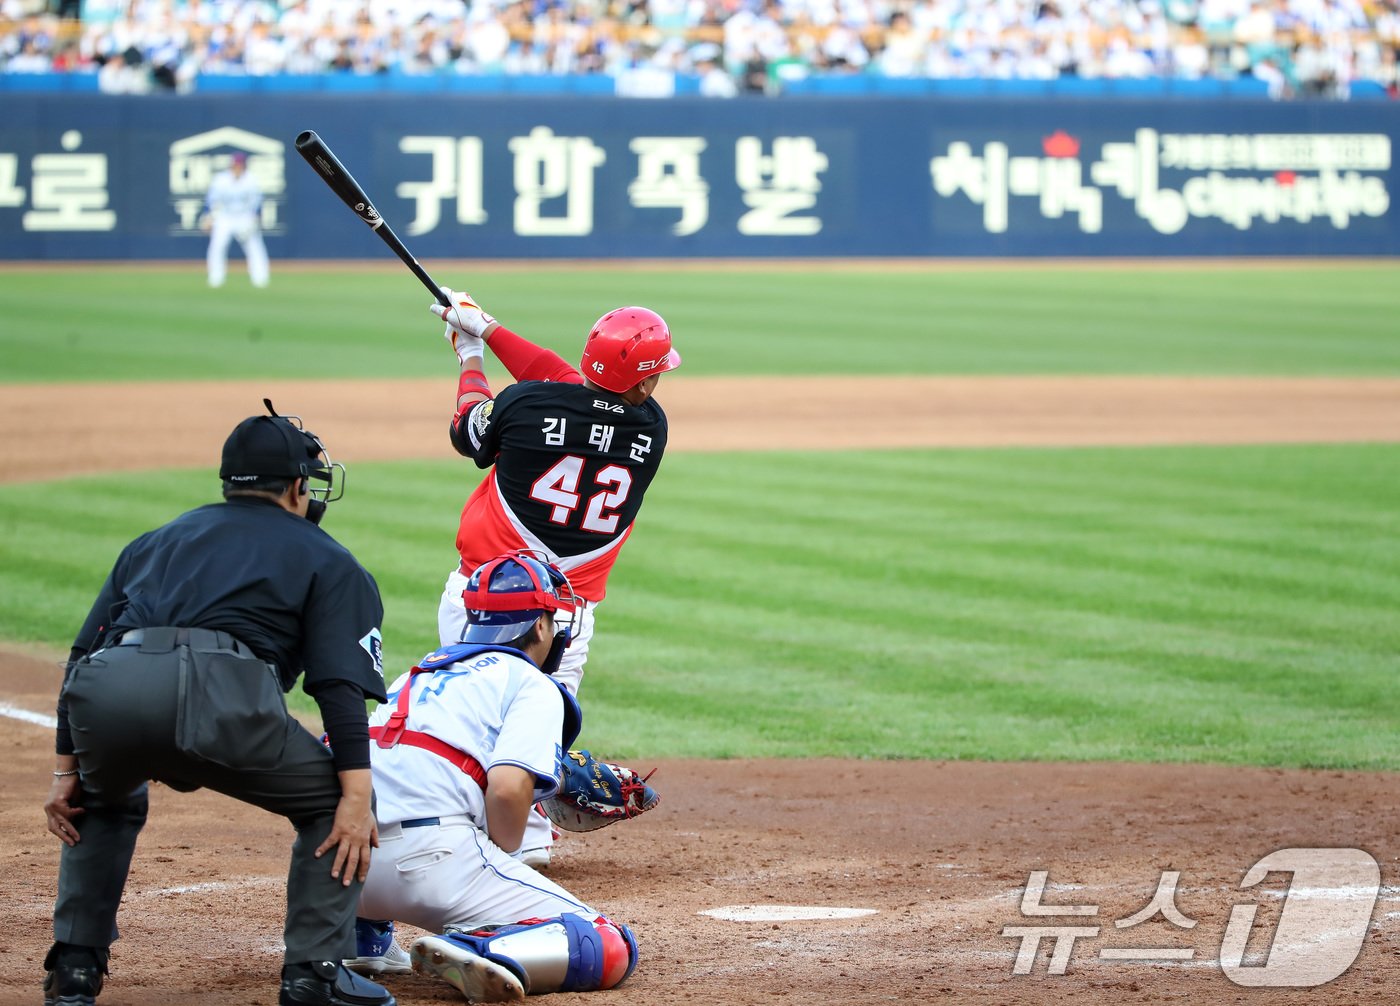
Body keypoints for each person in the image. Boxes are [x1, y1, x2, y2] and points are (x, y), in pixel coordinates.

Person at [42, 402, 395, 1006]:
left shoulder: (155, 541)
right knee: (331, 806)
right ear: (296, 486)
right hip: (225, 696)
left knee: (103, 800)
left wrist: (66, 773)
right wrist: (357, 798)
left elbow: (81, 657)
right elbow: (338, 687)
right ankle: (315, 974)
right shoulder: (328, 558)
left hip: (108, 690)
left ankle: (74, 968)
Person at [429, 289, 680, 866]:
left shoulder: (522, 405)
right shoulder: (651, 429)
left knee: (473, 713)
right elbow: (571, 391)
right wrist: (489, 328)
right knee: (541, 715)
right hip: (570, 610)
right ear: (642, 384)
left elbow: (468, 430)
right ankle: (531, 835)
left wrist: (471, 354)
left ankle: (466, 832)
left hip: (485, 596)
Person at [345, 550, 638, 1003]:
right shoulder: (531, 682)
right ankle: (476, 944)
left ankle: (364, 942)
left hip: (343, 869)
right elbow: (507, 787)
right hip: (432, 868)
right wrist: (497, 857)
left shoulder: (416, 674)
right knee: (605, 943)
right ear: (539, 626)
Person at [201, 151, 270, 289]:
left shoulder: (250, 179)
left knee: (254, 247)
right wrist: (207, 217)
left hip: (244, 217)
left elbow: (257, 203)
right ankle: (216, 278)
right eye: (235, 164)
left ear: (244, 166)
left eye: (239, 165)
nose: (237, 167)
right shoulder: (221, 179)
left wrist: (255, 219)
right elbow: (211, 200)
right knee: (217, 246)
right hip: (225, 217)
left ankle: (260, 279)